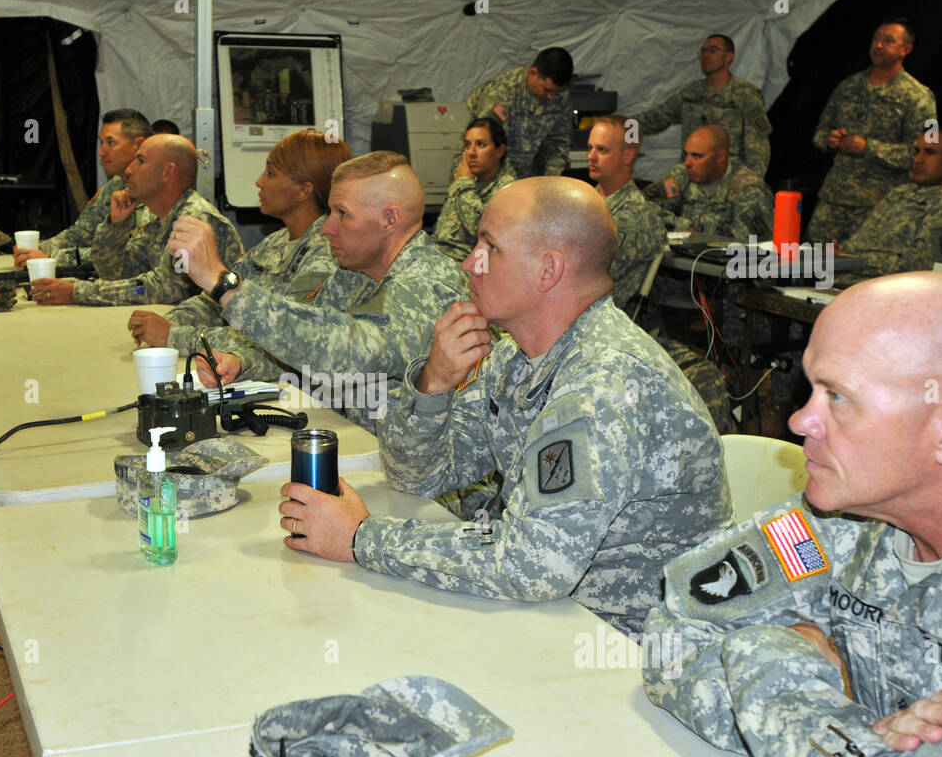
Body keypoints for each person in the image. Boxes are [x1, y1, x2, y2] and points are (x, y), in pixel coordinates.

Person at [278, 177, 733, 633]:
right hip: (554, 617)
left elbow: (531, 566)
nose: (468, 262)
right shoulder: (520, 357)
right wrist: (432, 383)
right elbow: (418, 475)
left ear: (547, 271)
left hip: (623, 647)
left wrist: (361, 538)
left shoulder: (602, 384)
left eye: (489, 247)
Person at [644, 272, 942, 757]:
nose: (801, 420)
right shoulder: (836, 525)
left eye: (839, 397)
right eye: (811, 389)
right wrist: (844, 729)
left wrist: (768, 657)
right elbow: (672, 629)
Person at [166, 151, 470, 429]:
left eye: (343, 214)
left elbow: (349, 354)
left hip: (420, 475)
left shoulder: (428, 282)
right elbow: (305, 344)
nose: (327, 228)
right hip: (363, 444)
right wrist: (241, 362)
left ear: (390, 220)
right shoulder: (354, 272)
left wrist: (224, 285)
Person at [126, 129, 347, 355]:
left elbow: (281, 339)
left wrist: (174, 337)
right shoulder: (275, 242)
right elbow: (213, 303)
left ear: (303, 191)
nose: (259, 182)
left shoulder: (327, 254)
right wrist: (168, 321)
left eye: (271, 173)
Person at [29, 134, 242, 306]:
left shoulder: (195, 220)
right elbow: (115, 272)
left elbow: (164, 288)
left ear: (168, 172)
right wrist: (116, 226)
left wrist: (77, 292)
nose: (129, 170)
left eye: (140, 161)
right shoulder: (158, 220)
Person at [806, 17, 937, 243]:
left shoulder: (920, 97)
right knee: (808, 265)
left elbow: (926, 152)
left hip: (881, 206)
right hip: (835, 197)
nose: (878, 45)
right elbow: (821, 129)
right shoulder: (849, 86)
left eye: (888, 41)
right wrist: (829, 139)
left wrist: (869, 148)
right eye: (876, 38)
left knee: (862, 272)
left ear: (906, 49)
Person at [838, 128, 942, 284]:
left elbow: (925, 268)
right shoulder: (900, 192)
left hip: (893, 296)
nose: (917, 160)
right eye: (916, 151)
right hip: (847, 284)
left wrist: (853, 260)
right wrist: (839, 253)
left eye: (929, 152)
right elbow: (858, 243)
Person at [14, 109, 152, 271]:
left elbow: (128, 254)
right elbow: (82, 233)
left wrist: (53, 258)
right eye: (101, 142)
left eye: (111, 142)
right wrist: (38, 250)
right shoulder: (115, 185)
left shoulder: (153, 188)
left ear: (139, 144)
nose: (101, 152)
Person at [633, 33, 771, 176]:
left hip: (727, 181)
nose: (705, 56)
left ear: (729, 57)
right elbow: (655, 119)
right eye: (703, 51)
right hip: (692, 179)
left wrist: (749, 186)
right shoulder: (691, 93)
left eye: (713, 50)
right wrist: (619, 127)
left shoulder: (746, 95)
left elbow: (758, 150)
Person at [585, 115, 666, 309]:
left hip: (599, 324)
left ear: (627, 156)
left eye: (602, 150)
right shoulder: (585, 201)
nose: (591, 157)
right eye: (590, 148)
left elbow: (590, 277)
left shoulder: (637, 215)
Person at [647, 124, 773, 241]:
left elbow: (750, 244)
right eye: (687, 154)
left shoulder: (748, 190)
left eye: (697, 156)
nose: (687, 162)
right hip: (682, 259)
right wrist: (682, 225)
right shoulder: (681, 175)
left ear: (720, 158)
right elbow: (644, 206)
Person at [466, 47, 574, 179]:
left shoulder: (561, 98)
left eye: (557, 92)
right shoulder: (502, 93)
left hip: (529, 180)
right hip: (489, 177)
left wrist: (551, 181)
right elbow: (486, 146)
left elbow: (558, 143)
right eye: (547, 90)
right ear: (532, 73)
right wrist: (513, 186)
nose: (552, 97)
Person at [432, 117, 516, 262]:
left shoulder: (508, 189)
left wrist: (464, 183)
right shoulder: (469, 180)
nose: (471, 153)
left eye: (481, 145)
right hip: (437, 257)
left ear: (499, 151)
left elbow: (481, 231)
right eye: (467, 145)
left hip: (467, 266)